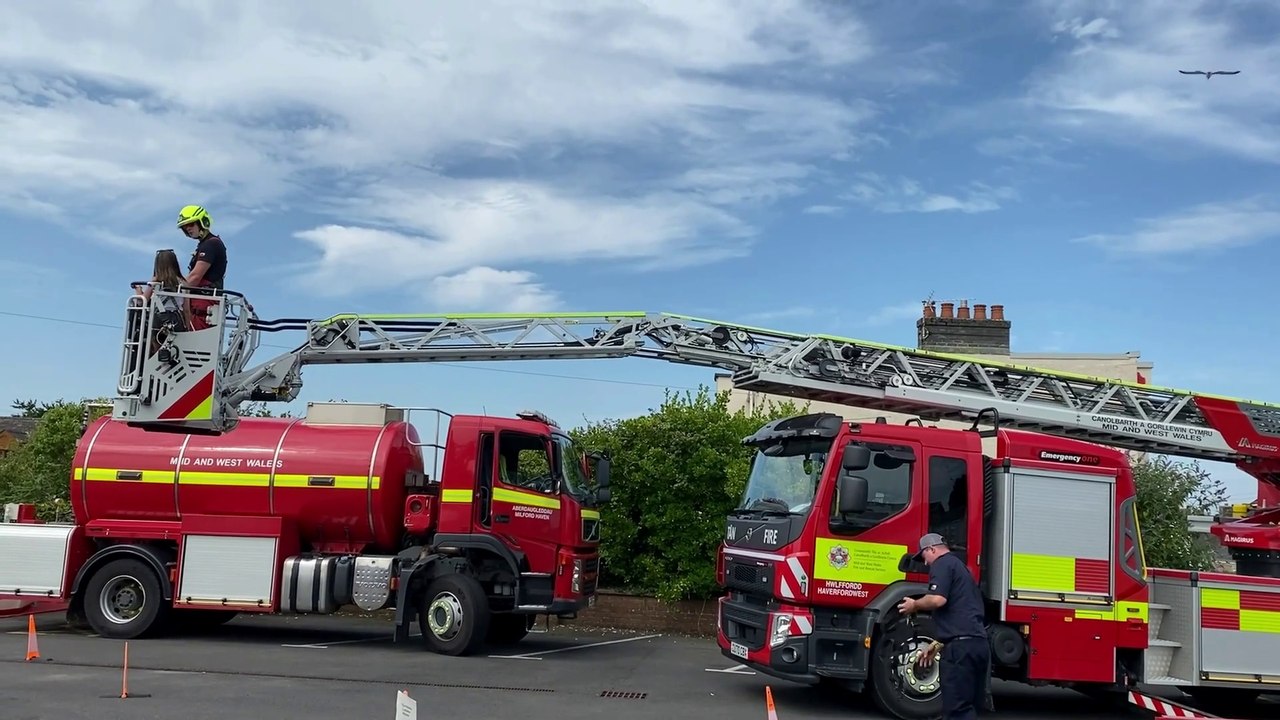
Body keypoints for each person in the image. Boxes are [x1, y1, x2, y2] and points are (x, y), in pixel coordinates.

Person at [896, 533, 992, 720]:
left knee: (956, 710)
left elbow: (937, 599)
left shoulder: (942, 564)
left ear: (932, 549)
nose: (926, 563)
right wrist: (937, 644)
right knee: (967, 707)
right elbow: (962, 615)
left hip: (960, 651)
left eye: (924, 556)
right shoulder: (961, 569)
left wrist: (914, 605)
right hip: (978, 646)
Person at [176, 204, 228, 331]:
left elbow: (195, 277)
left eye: (191, 224)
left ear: (202, 222)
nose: (188, 228)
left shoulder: (211, 245)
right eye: (184, 226)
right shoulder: (205, 245)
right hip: (197, 308)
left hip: (203, 311)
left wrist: (173, 290)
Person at [133, 249, 192, 355]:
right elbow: (186, 310)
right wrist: (188, 328)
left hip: (158, 319)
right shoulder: (183, 283)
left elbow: (143, 301)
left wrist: (138, 290)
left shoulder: (155, 281)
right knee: (176, 348)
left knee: (157, 348)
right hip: (176, 319)